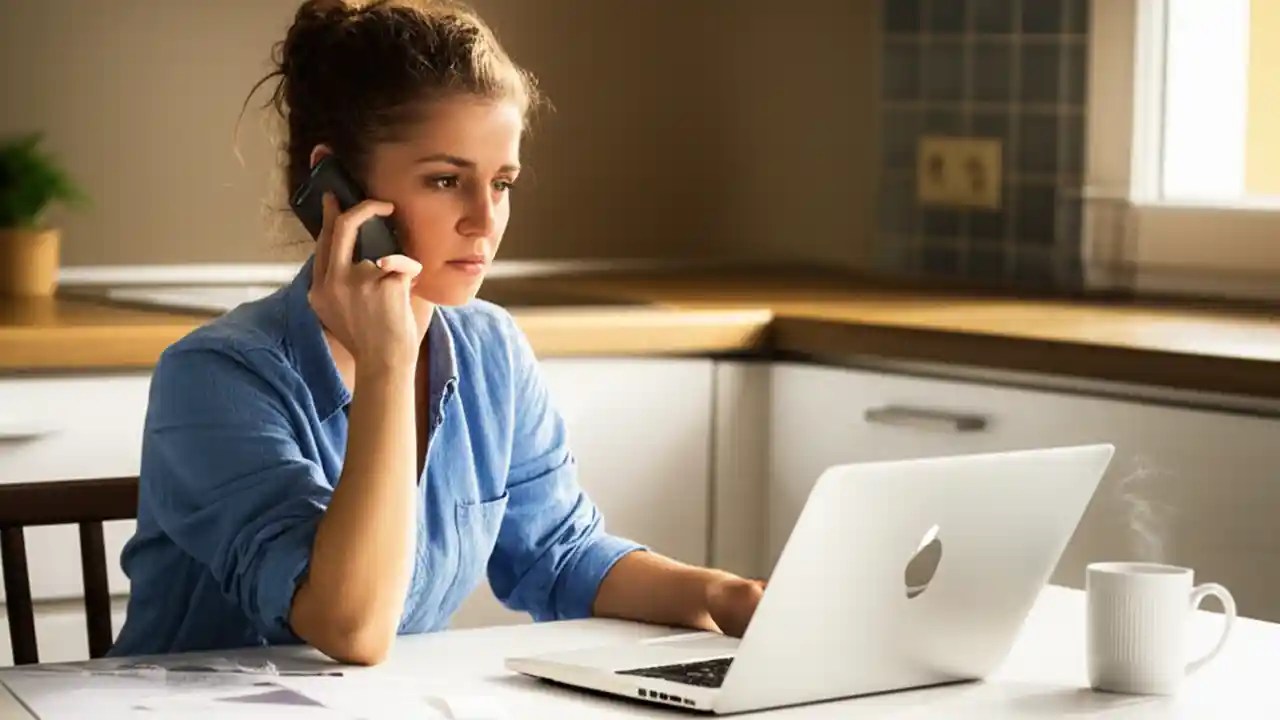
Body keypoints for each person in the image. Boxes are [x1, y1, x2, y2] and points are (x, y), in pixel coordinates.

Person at [110, 0, 764, 665]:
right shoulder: (216, 378)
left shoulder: (490, 349)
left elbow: (559, 554)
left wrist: (730, 597)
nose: (484, 221)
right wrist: (389, 363)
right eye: (447, 180)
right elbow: (351, 626)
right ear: (334, 188)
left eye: (501, 183)